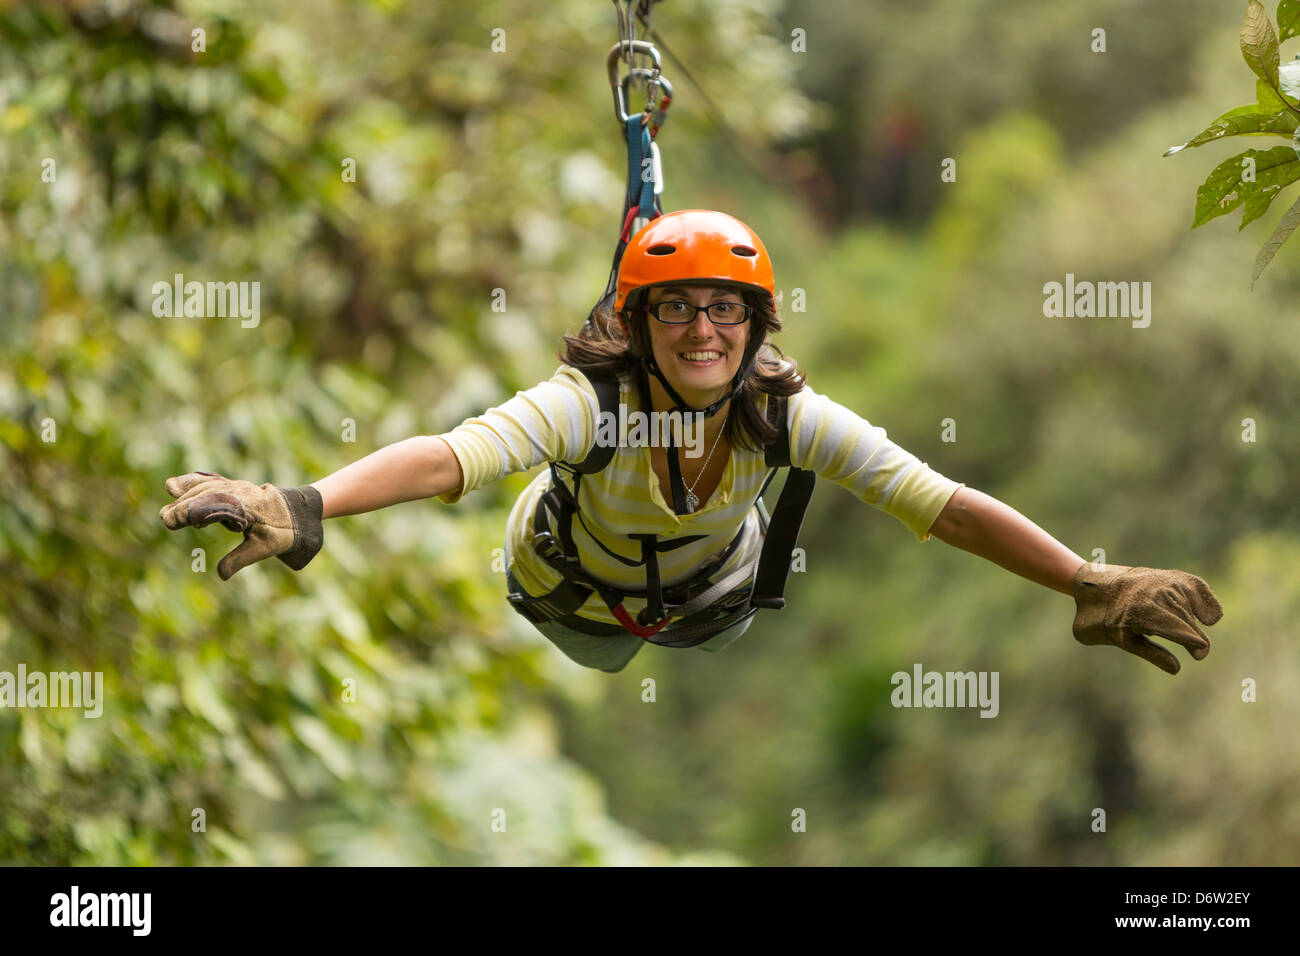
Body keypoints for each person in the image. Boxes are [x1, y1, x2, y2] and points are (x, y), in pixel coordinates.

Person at [159, 209, 1223, 675]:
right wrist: (304, 501)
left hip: (715, 606)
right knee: (600, 627)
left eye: (726, 309)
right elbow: (454, 454)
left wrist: (1084, 577)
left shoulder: (784, 412)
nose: (703, 330)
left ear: (757, 324)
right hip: (568, 597)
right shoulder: (591, 403)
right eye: (676, 310)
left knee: (706, 614)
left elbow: (935, 501)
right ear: (638, 322)